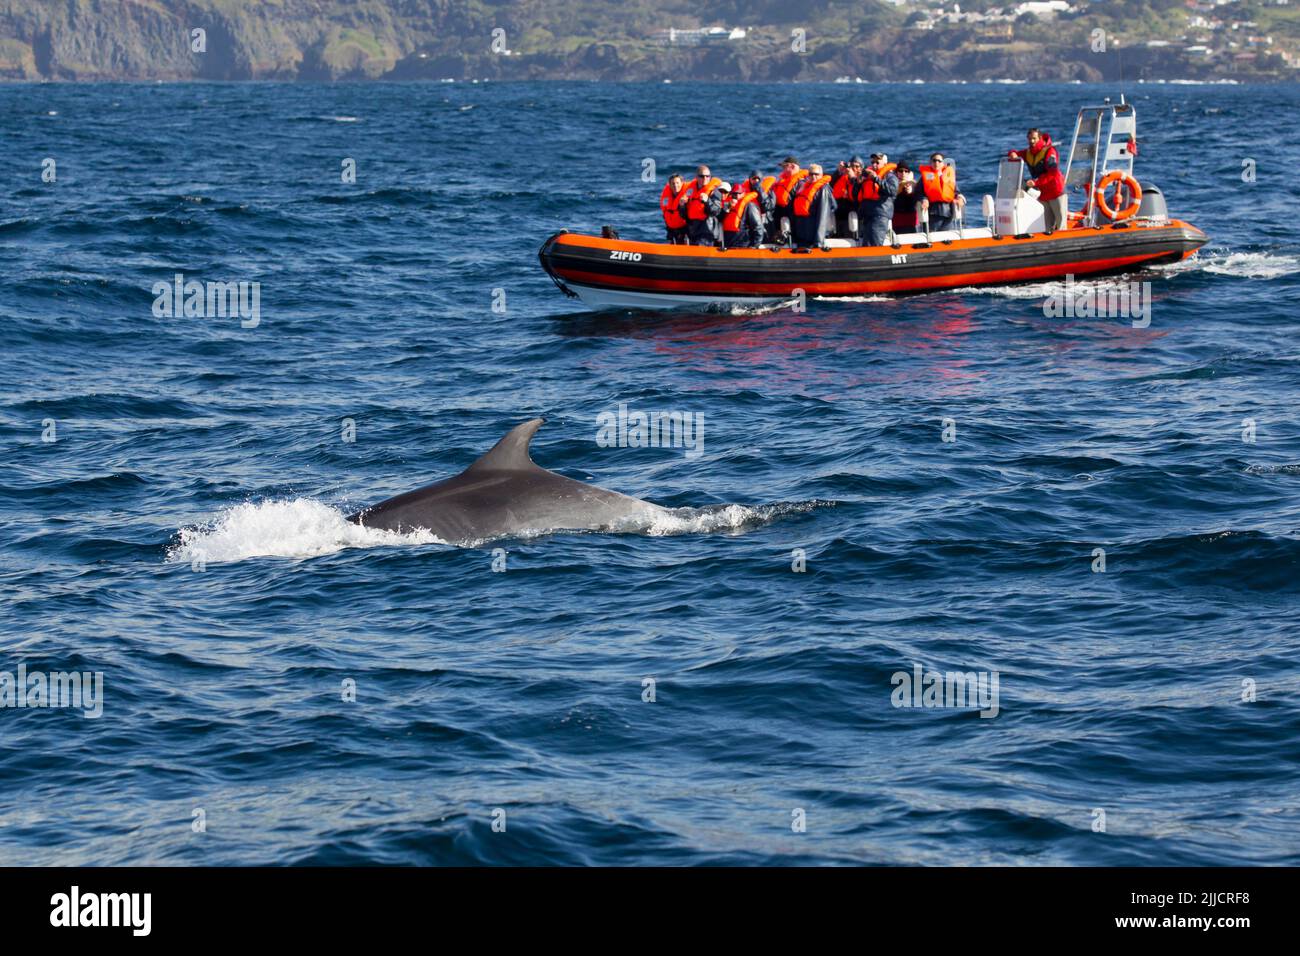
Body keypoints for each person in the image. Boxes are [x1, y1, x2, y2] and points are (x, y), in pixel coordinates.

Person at [1008, 128, 1067, 233]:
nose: (1032, 141)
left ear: (1040, 138)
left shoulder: (1050, 151)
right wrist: (1012, 154)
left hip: (1056, 192)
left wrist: (1036, 182)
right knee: (1046, 227)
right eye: (1029, 139)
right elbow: (1015, 153)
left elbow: (1052, 173)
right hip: (1043, 195)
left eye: (1034, 138)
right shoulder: (1028, 153)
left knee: (1061, 226)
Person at [790, 164, 836, 248]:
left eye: (816, 174)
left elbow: (823, 215)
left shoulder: (823, 189)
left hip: (814, 238)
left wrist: (818, 241)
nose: (813, 176)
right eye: (811, 174)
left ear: (821, 175)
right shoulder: (804, 188)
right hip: (803, 236)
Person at [857, 153, 898, 246]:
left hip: (880, 213)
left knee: (874, 243)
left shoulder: (890, 176)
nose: (874, 164)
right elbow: (857, 195)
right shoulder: (867, 176)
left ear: (884, 163)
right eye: (872, 162)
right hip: (867, 214)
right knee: (866, 243)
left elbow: (892, 191)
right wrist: (858, 183)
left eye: (877, 162)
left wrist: (876, 178)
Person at [918, 152, 965, 232]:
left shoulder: (948, 176)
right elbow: (918, 192)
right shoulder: (926, 176)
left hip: (948, 212)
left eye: (939, 161)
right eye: (934, 160)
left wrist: (959, 198)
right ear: (930, 162)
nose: (936, 163)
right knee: (933, 236)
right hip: (933, 213)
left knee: (948, 237)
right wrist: (924, 199)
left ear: (943, 163)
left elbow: (956, 191)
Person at [682, 165, 724, 245]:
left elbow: (716, 211)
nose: (705, 178)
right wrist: (682, 206)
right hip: (693, 230)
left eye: (707, 176)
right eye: (702, 176)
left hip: (707, 230)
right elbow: (684, 215)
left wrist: (707, 201)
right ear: (696, 177)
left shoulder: (714, 191)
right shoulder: (690, 190)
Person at [772, 156, 808, 244]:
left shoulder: (801, 183)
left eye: (784, 166)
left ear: (792, 166)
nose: (783, 169)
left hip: (795, 221)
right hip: (783, 218)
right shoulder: (783, 181)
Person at [721, 182, 765, 248]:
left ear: (743, 193)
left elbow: (758, 227)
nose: (737, 196)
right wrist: (727, 209)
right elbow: (720, 219)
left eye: (739, 193)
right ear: (731, 194)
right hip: (728, 243)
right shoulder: (727, 205)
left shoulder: (750, 206)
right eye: (734, 193)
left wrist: (755, 245)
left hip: (743, 244)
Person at [831, 156, 864, 238]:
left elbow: (857, 194)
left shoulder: (863, 179)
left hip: (855, 217)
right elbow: (831, 185)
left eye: (857, 166)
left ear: (861, 168)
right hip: (839, 215)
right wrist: (838, 172)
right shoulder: (842, 178)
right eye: (852, 166)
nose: (854, 168)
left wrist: (852, 178)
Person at [891, 163, 923, 235]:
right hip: (897, 220)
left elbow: (920, 196)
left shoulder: (914, 184)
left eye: (906, 171)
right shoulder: (892, 184)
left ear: (909, 173)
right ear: (896, 173)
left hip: (912, 220)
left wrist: (911, 191)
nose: (903, 173)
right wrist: (900, 187)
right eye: (901, 171)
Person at [659, 173, 689, 244]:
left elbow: (687, 215)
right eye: (673, 183)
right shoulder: (666, 195)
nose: (675, 185)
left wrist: (682, 206)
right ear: (669, 185)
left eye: (677, 183)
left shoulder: (687, 196)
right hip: (670, 230)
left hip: (684, 230)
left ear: (682, 183)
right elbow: (665, 212)